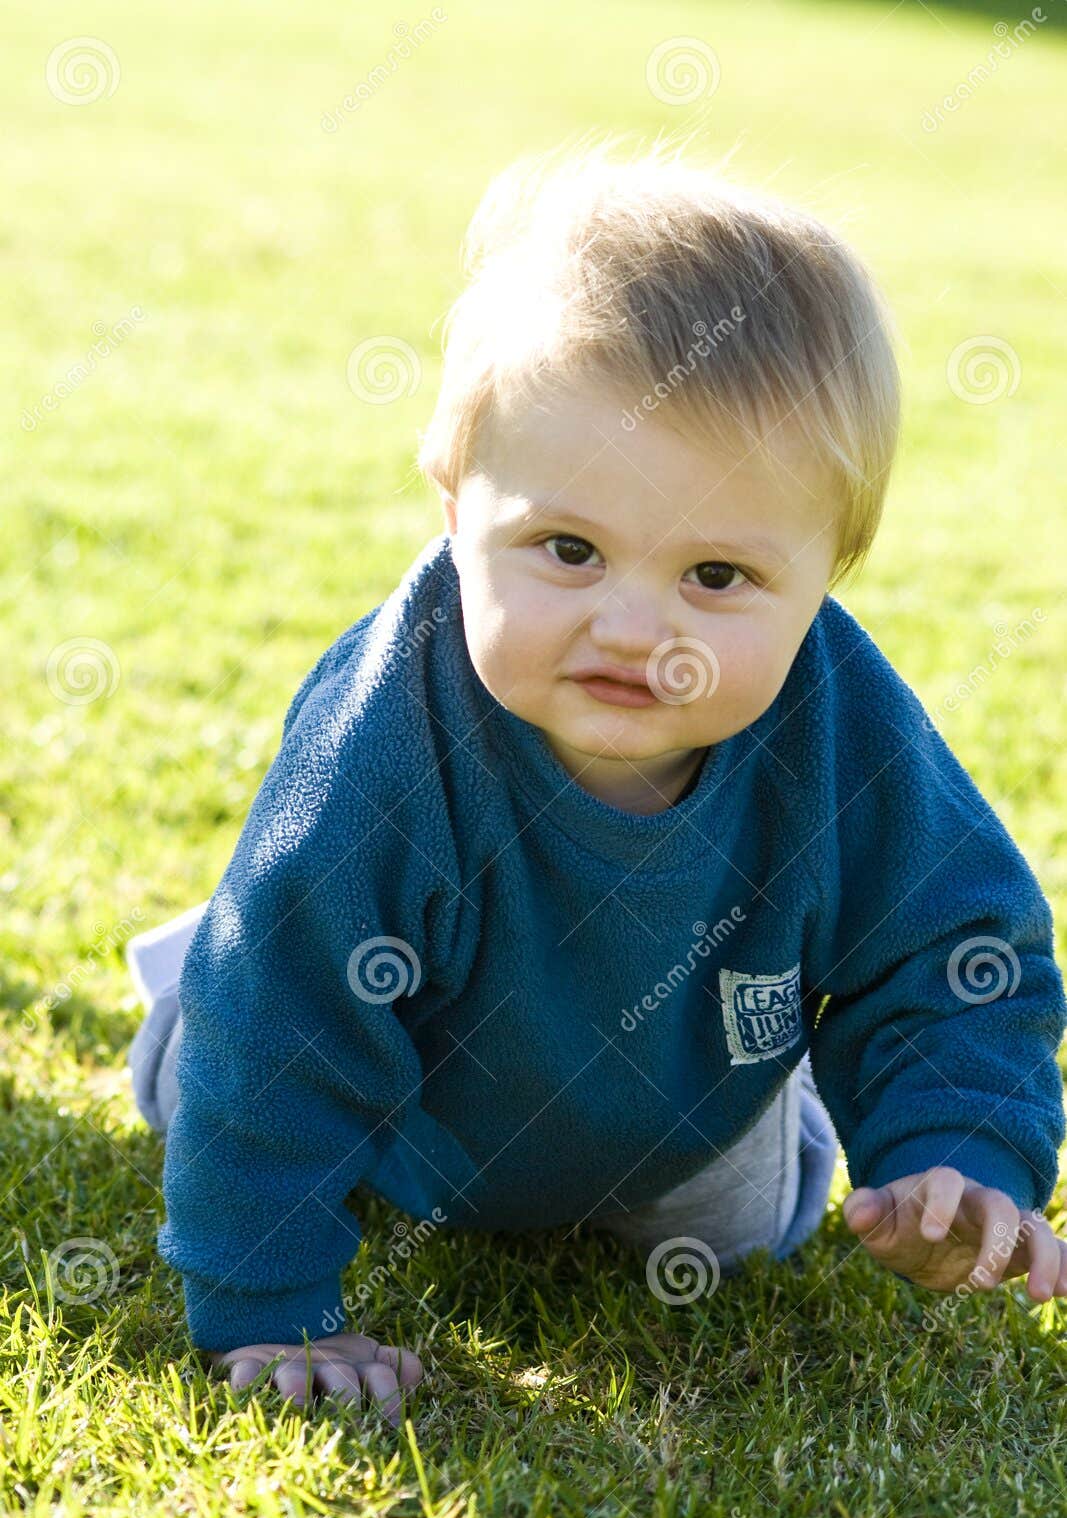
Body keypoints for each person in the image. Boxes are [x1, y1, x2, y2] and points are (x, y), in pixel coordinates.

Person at [126, 136, 1067, 1424]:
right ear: (454, 504)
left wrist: (958, 1153)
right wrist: (271, 1308)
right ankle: (195, 975)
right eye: (569, 549)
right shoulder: (391, 738)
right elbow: (286, 1015)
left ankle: (746, 1085)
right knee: (231, 1062)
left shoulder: (838, 719)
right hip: (404, 1111)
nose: (639, 629)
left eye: (718, 578)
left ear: (825, 574)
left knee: (747, 1232)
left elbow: (956, 940)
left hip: (681, 1112)